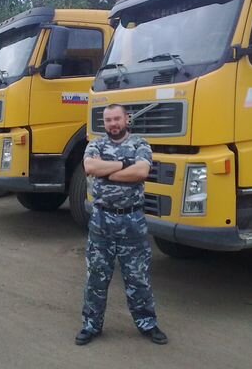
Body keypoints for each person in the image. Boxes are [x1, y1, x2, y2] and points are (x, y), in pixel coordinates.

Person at [75, 104, 167, 346]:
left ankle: (147, 323)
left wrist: (108, 171)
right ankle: (91, 325)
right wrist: (123, 164)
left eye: (117, 119)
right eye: (108, 120)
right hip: (101, 220)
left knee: (138, 277)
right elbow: (90, 167)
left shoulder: (140, 143)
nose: (113, 124)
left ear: (126, 119)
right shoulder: (95, 144)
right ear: (104, 123)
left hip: (132, 221)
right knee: (96, 277)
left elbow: (141, 172)